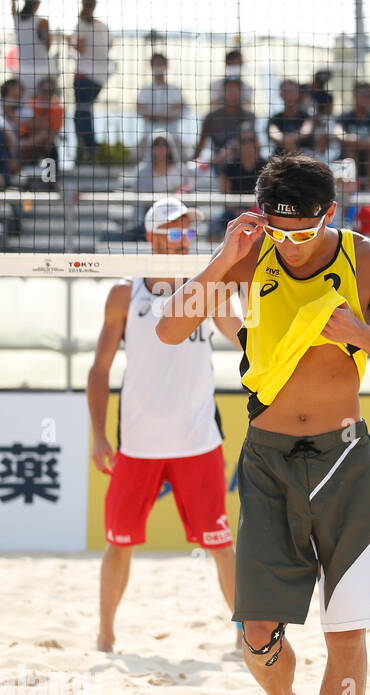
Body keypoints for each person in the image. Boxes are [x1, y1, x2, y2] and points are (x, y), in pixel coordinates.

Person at [154, 153, 370, 695]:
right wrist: (223, 259)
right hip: (268, 458)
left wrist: (358, 332)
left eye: (303, 232)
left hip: (343, 460)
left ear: (330, 215)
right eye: (278, 230)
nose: (290, 243)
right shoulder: (251, 255)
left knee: (347, 634)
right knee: (255, 632)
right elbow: (169, 328)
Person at [87, 198, 242, 653]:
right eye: (175, 232)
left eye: (188, 232)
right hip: (137, 443)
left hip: (197, 440)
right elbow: (99, 369)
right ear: (152, 238)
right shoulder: (124, 293)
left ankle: (241, 638)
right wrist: (98, 434)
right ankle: (105, 636)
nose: (185, 240)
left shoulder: (207, 289)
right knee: (119, 543)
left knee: (220, 543)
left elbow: (243, 336)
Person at [66, 0, 112, 161]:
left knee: (81, 112)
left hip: (84, 76)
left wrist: (69, 40)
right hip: (100, 77)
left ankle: (88, 147)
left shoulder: (81, 25)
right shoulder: (103, 26)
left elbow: (80, 47)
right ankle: (89, 147)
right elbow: (110, 45)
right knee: (85, 111)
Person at [334, 82, 370, 189]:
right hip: (349, 159)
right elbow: (338, 133)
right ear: (355, 95)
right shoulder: (345, 115)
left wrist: (365, 142)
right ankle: (353, 186)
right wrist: (353, 140)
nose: (367, 98)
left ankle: (368, 187)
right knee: (351, 147)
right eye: (364, 95)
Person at [193, 78, 257, 165]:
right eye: (229, 90)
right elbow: (201, 142)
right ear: (222, 92)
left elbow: (252, 142)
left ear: (241, 92)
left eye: (236, 90)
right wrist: (193, 160)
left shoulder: (249, 116)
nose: (232, 93)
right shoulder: (211, 117)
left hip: (243, 163)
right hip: (219, 163)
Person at [137, 53, 186, 150]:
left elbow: (179, 110)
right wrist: (164, 115)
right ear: (151, 66)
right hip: (148, 137)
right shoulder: (145, 89)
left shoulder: (175, 89)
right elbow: (140, 109)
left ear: (166, 65)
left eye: (161, 64)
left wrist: (156, 116)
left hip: (173, 136)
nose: (158, 67)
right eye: (156, 64)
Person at [11, 1, 54, 101]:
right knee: (40, 106)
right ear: (37, 4)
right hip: (41, 72)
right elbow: (48, 46)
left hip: (22, 73)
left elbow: (12, 8)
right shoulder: (42, 22)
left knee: (24, 107)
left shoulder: (17, 19)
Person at [21, 75, 62, 165]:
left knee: (51, 148)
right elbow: (28, 125)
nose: (47, 94)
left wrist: (47, 141)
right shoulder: (31, 103)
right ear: (39, 91)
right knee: (43, 136)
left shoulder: (57, 108)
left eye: (50, 91)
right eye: (44, 91)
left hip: (45, 139)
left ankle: (51, 177)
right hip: (26, 136)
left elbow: (54, 130)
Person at [268, 80, 314, 156]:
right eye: (286, 91)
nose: (289, 95)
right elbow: (273, 134)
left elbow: (306, 132)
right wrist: (288, 141)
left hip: (305, 159)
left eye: (292, 91)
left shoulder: (306, 117)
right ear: (281, 94)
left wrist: (287, 140)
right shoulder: (275, 118)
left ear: (299, 93)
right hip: (280, 160)